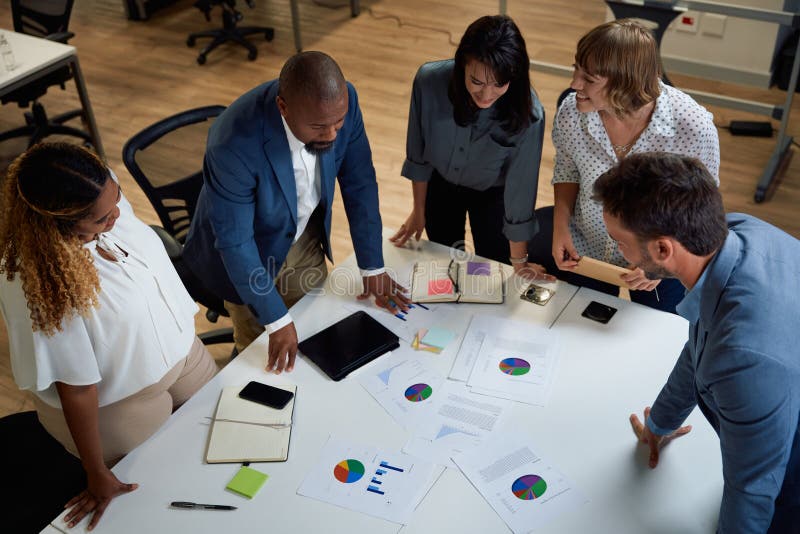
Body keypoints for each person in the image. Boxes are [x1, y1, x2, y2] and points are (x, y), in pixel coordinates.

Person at [0, 143, 218, 530]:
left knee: (235, 441)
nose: (117, 214)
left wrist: (106, 209)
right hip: (119, 406)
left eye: (116, 200)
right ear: (60, 225)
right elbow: (77, 388)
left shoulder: (99, 194)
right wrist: (96, 470)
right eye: (102, 219)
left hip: (184, 356)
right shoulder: (39, 280)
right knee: (172, 503)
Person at [593, 152, 800, 533]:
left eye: (619, 242)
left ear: (662, 249)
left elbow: (751, 491)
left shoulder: (743, 356)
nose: (616, 253)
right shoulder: (738, 232)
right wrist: (659, 423)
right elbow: (700, 345)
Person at [183, 51, 409, 374]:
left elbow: (360, 182)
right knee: (266, 359)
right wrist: (275, 319)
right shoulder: (231, 142)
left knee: (323, 333)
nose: (332, 134)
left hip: (301, 237)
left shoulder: (344, 102)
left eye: (338, 124)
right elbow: (236, 244)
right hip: (246, 254)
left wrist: (372, 266)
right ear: (283, 108)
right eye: (319, 127)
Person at [528, 19, 720, 313]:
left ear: (625, 83)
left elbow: (701, 212)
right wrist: (561, 226)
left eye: (589, 79)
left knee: (657, 341)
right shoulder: (572, 111)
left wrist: (658, 264)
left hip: (658, 263)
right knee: (582, 326)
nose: (574, 84)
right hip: (587, 246)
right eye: (576, 69)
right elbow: (567, 168)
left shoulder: (692, 126)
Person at [390, 15, 555, 282]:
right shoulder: (428, 83)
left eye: (499, 84)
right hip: (441, 186)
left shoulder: (530, 114)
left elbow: (520, 192)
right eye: (476, 81)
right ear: (461, 65)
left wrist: (519, 262)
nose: (487, 94)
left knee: (492, 270)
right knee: (445, 263)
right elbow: (418, 154)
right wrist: (418, 210)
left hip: (492, 195)